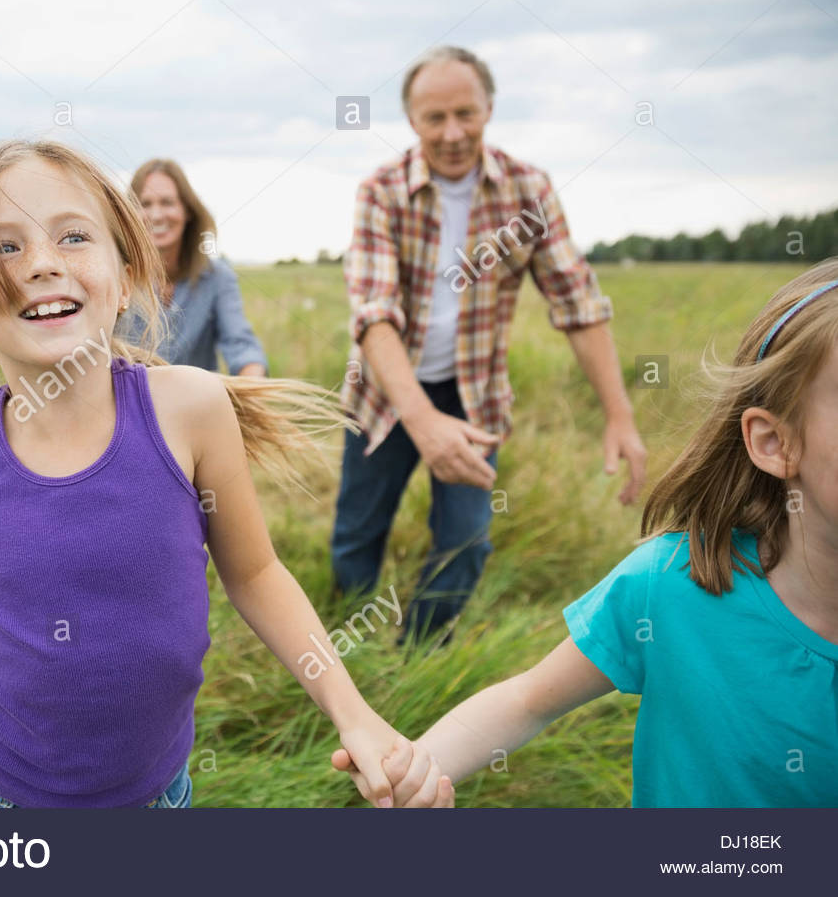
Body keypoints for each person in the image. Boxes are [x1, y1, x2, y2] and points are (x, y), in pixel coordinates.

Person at [0, 138, 452, 808]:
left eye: (73, 236)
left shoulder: (190, 409)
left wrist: (355, 716)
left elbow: (255, 574)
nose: (45, 264)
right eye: (5, 247)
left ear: (128, 275)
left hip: (156, 795)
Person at [334, 258, 838, 806]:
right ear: (773, 442)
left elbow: (577, 300)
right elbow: (528, 700)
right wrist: (418, 771)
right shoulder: (671, 587)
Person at [332, 45, 647, 643]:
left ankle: (421, 656)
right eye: (435, 118)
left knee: (465, 543)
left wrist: (620, 414)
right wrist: (420, 419)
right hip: (385, 391)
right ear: (411, 121)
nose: (452, 133)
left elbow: (577, 305)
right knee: (358, 529)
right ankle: (348, 642)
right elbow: (374, 316)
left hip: (473, 395)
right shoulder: (380, 190)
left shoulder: (528, 190)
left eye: (465, 114)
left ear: (489, 108)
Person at [123, 158, 268, 377]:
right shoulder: (117, 279)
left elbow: (242, 346)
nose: (156, 215)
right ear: (130, 214)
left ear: (187, 211)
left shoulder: (217, 277)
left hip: (197, 409)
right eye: (145, 204)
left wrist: (253, 380)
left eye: (167, 202)